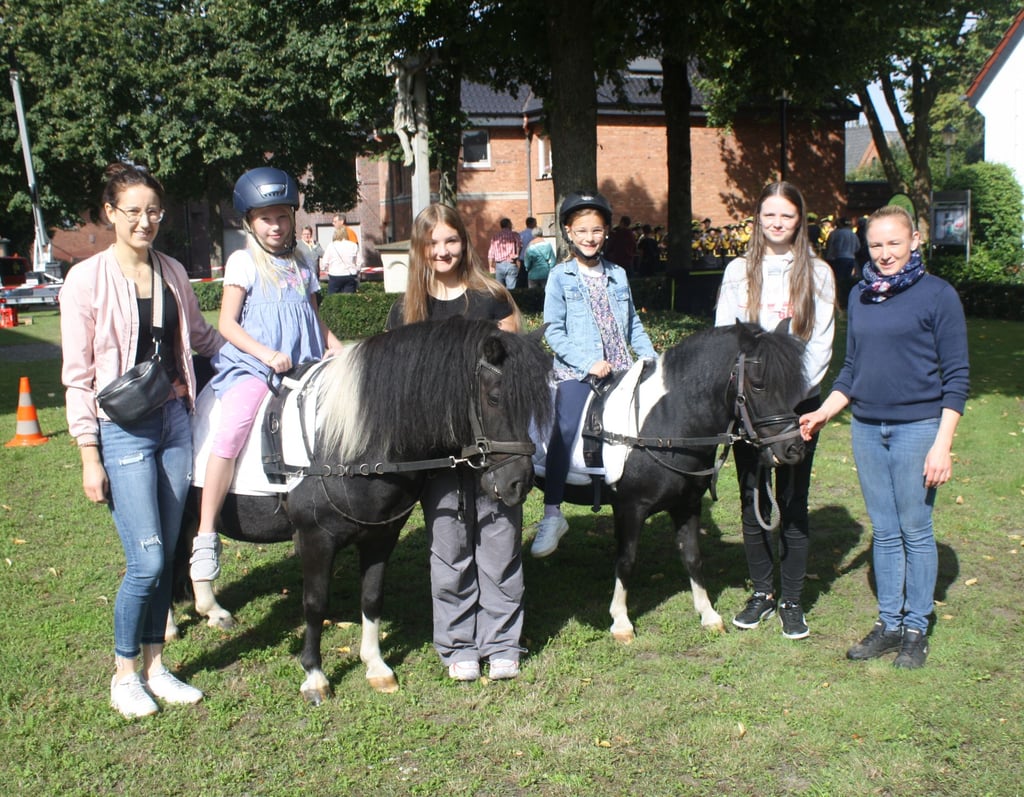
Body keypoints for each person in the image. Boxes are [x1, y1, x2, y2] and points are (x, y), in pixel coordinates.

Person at [60, 162, 224, 718]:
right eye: (133, 211)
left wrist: (260, 355)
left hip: (175, 421)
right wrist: (88, 455)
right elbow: (77, 375)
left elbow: (201, 338)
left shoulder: (173, 271)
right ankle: (124, 673)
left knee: (167, 555)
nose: (145, 221)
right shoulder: (85, 279)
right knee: (147, 561)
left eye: (153, 211)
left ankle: (157, 666)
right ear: (110, 213)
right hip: (121, 430)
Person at [800, 205, 968, 669]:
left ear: (915, 240)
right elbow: (852, 368)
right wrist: (823, 411)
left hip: (918, 429)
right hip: (868, 428)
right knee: (885, 531)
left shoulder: (938, 295)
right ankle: (889, 623)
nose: (886, 252)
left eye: (894, 242)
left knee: (915, 528)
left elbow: (956, 376)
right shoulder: (860, 295)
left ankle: (917, 626)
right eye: (877, 245)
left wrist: (942, 443)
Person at [386, 203, 524, 682]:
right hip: (439, 454)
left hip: (494, 449)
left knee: (500, 542)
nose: (443, 251)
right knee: (449, 550)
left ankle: (503, 640)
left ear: (464, 243)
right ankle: (458, 643)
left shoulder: (491, 297)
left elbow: (516, 371)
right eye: (433, 243)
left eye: (451, 240)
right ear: (420, 248)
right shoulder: (407, 310)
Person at [190, 167, 343, 584]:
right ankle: (206, 532)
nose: (275, 226)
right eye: (265, 218)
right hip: (254, 366)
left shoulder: (303, 260)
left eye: (282, 217)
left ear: (294, 218)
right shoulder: (243, 261)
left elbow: (311, 314)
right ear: (249, 222)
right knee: (234, 427)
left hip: (304, 364)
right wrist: (265, 354)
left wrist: (335, 344)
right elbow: (226, 323)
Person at [714, 181, 835, 640]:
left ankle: (791, 600)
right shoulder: (739, 270)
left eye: (786, 215)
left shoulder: (818, 273)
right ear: (758, 219)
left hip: (796, 405)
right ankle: (762, 592)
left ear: (799, 219)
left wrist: (787, 397)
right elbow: (727, 334)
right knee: (753, 498)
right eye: (769, 215)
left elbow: (821, 345)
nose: (777, 223)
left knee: (792, 500)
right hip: (750, 406)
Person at [530, 191, 656, 558]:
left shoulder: (617, 274)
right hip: (577, 372)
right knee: (563, 429)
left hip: (620, 369)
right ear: (569, 232)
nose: (590, 237)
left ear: (606, 233)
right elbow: (553, 331)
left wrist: (651, 359)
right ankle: (553, 513)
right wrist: (587, 362)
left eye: (597, 230)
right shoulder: (560, 276)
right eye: (582, 230)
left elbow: (633, 325)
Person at [824, 216, 860, 305]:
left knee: (837, 280)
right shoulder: (852, 234)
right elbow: (858, 246)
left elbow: (830, 246)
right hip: (850, 258)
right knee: (847, 279)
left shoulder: (836, 233)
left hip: (838, 258)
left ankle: (837, 299)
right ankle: (845, 298)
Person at [322, 227, 362, 294]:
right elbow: (359, 261)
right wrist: (357, 270)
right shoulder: (353, 245)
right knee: (348, 299)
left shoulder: (331, 246)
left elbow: (325, 262)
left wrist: (326, 269)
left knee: (333, 299)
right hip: (350, 275)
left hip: (335, 275)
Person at [487, 217, 522, 290]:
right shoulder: (514, 234)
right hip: (511, 262)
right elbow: (519, 245)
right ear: (509, 225)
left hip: (499, 265)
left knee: (500, 289)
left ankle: (502, 301)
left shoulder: (495, 236)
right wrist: (517, 255)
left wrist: (490, 266)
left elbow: (491, 253)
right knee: (511, 289)